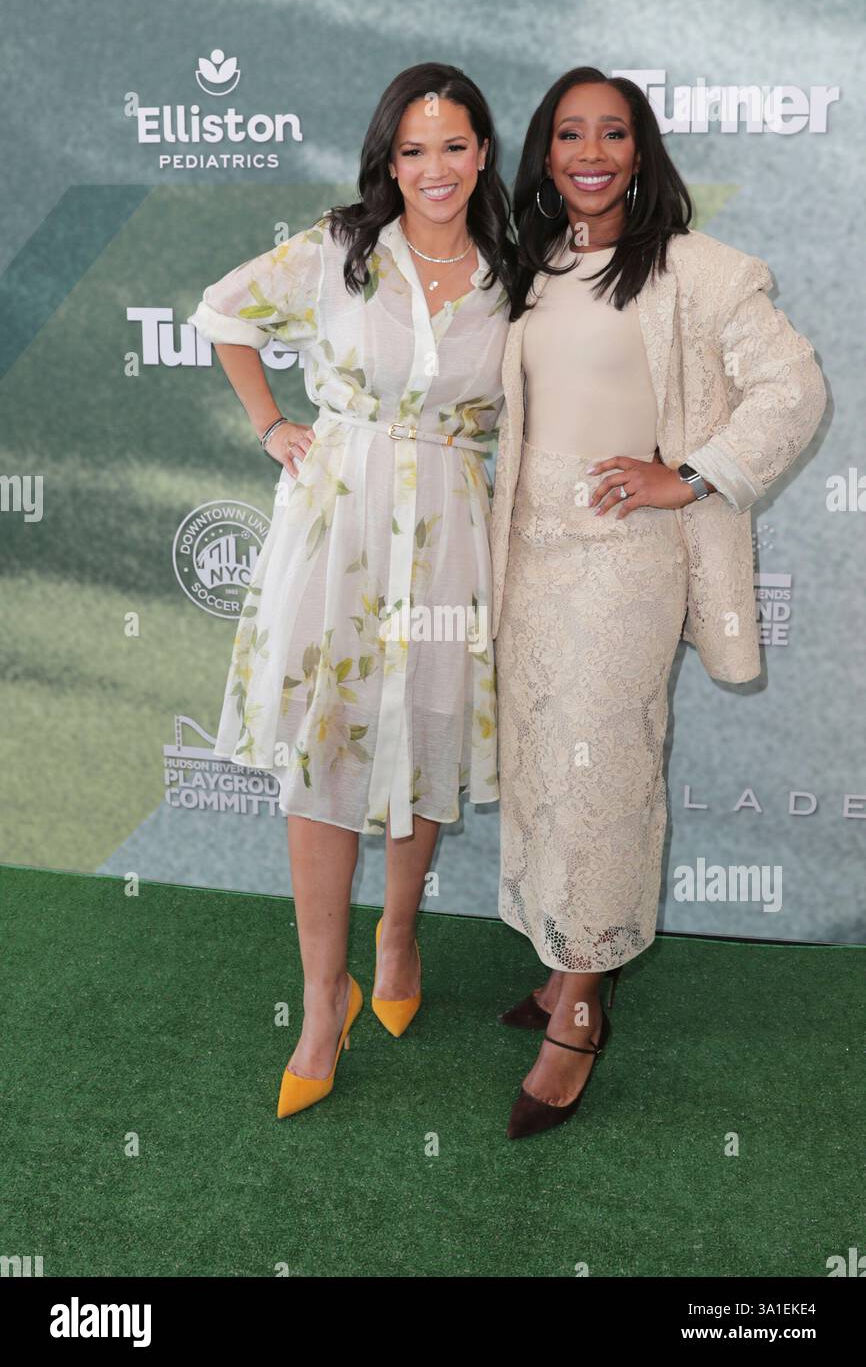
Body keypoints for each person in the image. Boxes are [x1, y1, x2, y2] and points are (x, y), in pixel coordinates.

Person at [489, 67, 826, 1140]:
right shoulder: (530, 264)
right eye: (569, 134)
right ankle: (561, 959)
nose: (590, 152)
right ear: (544, 152)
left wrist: (687, 473)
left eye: (614, 134)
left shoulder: (696, 269)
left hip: (622, 563)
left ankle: (580, 1013)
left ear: (641, 152)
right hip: (524, 562)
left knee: (600, 778)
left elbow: (795, 387)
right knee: (542, 767)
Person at [186, 63, 515, 1119]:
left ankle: (398, 930)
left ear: (482, 154)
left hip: (449, 531)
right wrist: (270, 424)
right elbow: (222, 312)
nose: (434, 168)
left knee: (422, 727)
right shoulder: (340, 250)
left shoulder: (515, 269)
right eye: (413, 150)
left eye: (454, 146)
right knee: (325, 748)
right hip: (336, 530)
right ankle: (320, 997)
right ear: (388, 157)